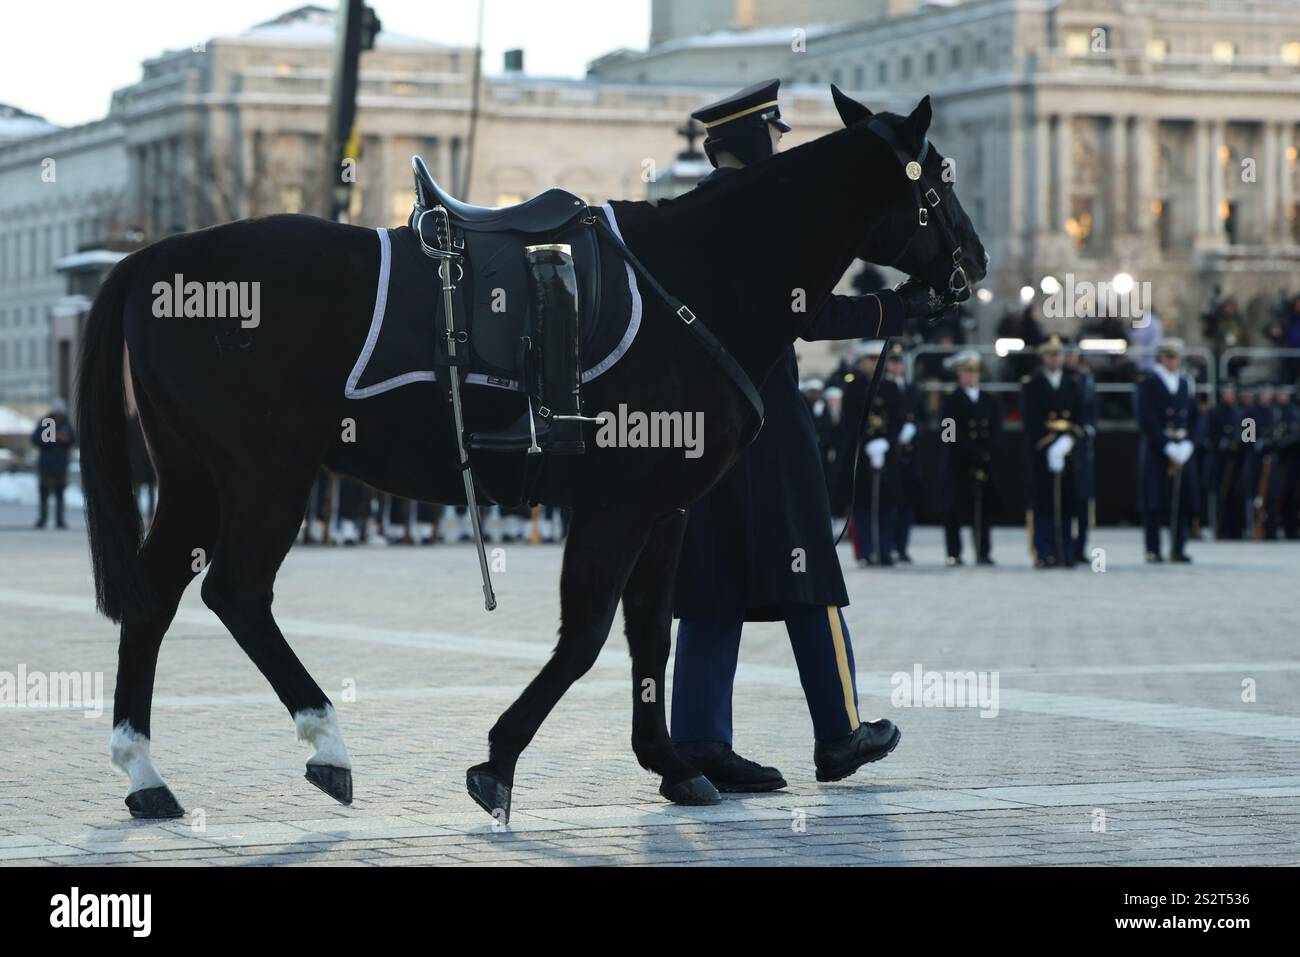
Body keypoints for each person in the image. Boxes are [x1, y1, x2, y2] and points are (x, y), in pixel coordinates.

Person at [670, 79, 939, 792]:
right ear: (758, 138)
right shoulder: (761, 212)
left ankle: (698, 740)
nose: (783, 145)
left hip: (704, 430)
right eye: (776, 134)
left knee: (710, 584)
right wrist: (894, 309)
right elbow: (805, 312)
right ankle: (840, 732)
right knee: (811, 575)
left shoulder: (689, 210)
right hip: (769, 424)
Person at [1021, 335, 1084, 567]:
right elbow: (1031, 421)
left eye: (1058, 355)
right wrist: (1048, 444)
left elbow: (1079, 417)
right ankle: (1043, 550)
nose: (1055, 359)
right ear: (1043, 357)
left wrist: (1068, 441)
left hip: (1065, 449)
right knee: (1043, 503)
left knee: (1067, 502)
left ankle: (1066, 549)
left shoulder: (1072, 383)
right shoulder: (1032, 384)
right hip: (1042, 451)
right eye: (1051, 355)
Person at [1135, 338, 1198, 562]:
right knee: (1154, 500)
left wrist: (1190, 442)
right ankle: (1153, 548)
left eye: (1176, 358)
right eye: (1169, 357)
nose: (1173, 362)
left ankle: (1178, 546)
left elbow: (1194, 415)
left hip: (1181, 444)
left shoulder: (1184, 383)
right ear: (1161, 358)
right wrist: (1165, 444)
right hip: (1158, 447)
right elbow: (1146, 418)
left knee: (1181, 499)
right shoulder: (1149, 383)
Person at [846, 339, 903, 566]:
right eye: (870, 359)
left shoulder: (890, 387)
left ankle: (886, 549)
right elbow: (849, 422)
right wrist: (865, 444)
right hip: (863, 452)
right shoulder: (854, 387)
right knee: (863, 504)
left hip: (886, 452)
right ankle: (867, 550)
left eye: (878, 359)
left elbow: (898, 418)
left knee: (887, 504)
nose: (874, 364)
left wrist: (888, 442)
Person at [940, 351, 1001, 565]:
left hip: (983, 460)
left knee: (983, 509)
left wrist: (986, 452)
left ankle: (983, 550)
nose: (970, 376)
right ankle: (954, 551)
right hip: (959, 462)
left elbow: (996, 429)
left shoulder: (988, 399)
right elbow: (949, 433)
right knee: (954, 509)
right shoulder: (951, 399)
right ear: (959, 374)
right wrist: (969, 451)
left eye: (973, 372)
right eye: (966, 372)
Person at [887, 344, 922, 563]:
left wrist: (914, 427)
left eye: (900, 362)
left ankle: (902, 545)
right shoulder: (883, 387)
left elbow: (923, 414)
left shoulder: (912, 389)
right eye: (893, 361)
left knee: (907, 502)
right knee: (891, 500)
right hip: (891, 449)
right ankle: (889, 544)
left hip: (909, 451)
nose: (897, 366)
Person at [1063, 340, 1098, 563]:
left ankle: (1081, 546)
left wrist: (1090, 426)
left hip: (1082, 442)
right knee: (1067, 497)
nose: (1072, 358)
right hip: (1066, 439)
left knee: (1084, 499)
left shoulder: (1085, 379)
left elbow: (1092, 405)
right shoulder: (1064, 380)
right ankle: (1066, 545)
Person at [31, 399, 76, 529]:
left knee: (60, 494)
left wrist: (65, 439)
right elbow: (35, 439)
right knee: (44, 493)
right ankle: (42, 519)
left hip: (61, 466)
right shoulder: (45, 423)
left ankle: (60, 520)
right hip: (46, 465)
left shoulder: (66, 424)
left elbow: (73, 439)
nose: (58, 416)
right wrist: (52, 436)